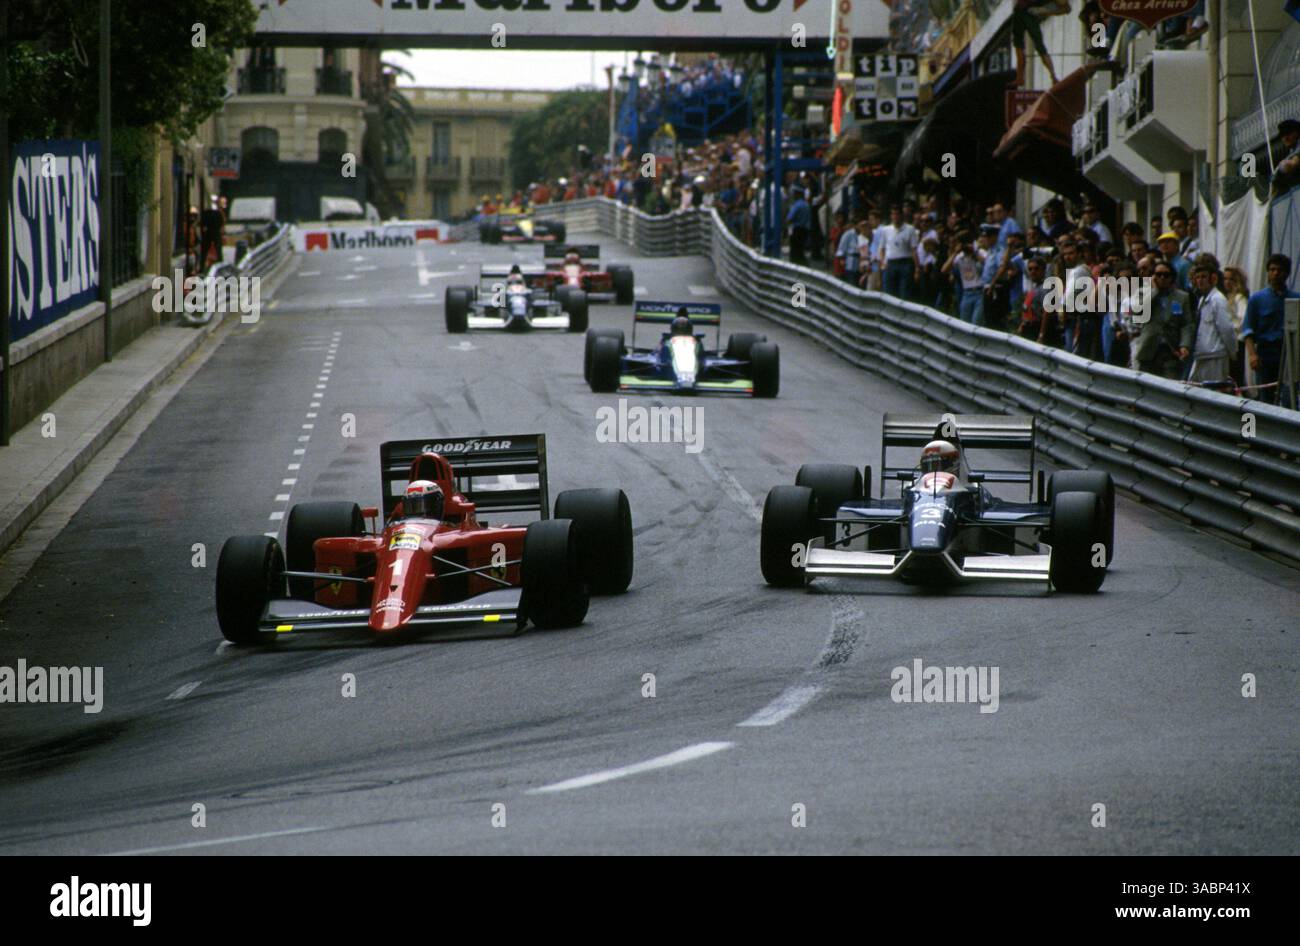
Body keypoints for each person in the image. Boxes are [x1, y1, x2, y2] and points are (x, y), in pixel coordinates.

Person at [1241, 254, 1299, 404]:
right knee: (1265, 397)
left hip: (1289, 356)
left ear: (1287, 273)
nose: (1275, 273)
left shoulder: (1295, 299)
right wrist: (1252, 355)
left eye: (1280, 270)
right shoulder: (1257, 299)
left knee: (1289, 396)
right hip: (1266, 355)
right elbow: (1248, 330)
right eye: (1272, 270)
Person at [1130, 262, 1193, 378]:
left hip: (1170, 349)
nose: (1162, 278)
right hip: (1148, 348)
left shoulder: (1181, 297)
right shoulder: (1142, 292)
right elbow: (1137, 312)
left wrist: (1185, 345)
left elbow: (1185, 323)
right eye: (1158, 275)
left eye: (1166, 275)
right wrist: (1154, 291)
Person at [1186, 256, 1237, 385]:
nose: (1200, 281)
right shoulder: (1202, 300)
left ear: (1213, 279)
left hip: (1215, 356)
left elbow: (1227, 329)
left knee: (1214, 391)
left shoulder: (1218, 300)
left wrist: (1232, 353)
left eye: (1203, 277)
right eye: (1198, 278)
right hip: (1201, 355)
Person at [941, 231, 986, 325]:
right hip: (966, 293)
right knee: (965, 324)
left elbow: (987, 264)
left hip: (980, 292)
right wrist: (955, 253)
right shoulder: (959, 257)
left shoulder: (980, 253)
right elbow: (944, 269)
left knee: (976, 322)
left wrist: (974, 253)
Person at [878, 204, 920, 302]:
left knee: (904, 292)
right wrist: (883, 262)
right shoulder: (886, 230)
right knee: (889, 292)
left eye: (897, 214)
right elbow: (882, 248)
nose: (895, 217)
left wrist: (917, 268)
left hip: (905, 262)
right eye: (893, 214)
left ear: (901, 215)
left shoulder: (910, 229)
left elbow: (914, 249)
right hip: (891, 263)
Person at [1222, 266, 1251, 388]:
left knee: (1235, 374)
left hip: (1237, 341)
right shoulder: (1228, 297)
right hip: (1229, 341)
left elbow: (1243, 318)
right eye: (1225, 279)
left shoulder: (1239, 297)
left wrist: (1228, 326)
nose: (1227, 282)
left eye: (1231, 279)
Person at [786, 186, 812, 265]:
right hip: (805, 230)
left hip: (797, 229)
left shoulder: (797, 205)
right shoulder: (806, 205)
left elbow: (789, 218)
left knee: (795, 250)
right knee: (800, 249)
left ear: (798, 195)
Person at [199, 195, 224, 269]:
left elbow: (202, 223)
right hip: (215, 232)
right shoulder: (218, 213)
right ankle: (220, 264)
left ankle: (202, 266)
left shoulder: (206, 213)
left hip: (209, 232)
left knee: (204, 251)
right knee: (218, 250)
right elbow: (221, 222)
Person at [837, 217, 864, 285]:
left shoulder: (864, 234)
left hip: (861, 263)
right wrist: (842, 259)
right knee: (851, 282)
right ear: (855, 225)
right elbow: (841, 248)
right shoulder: (848, 234)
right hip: (851, 262)